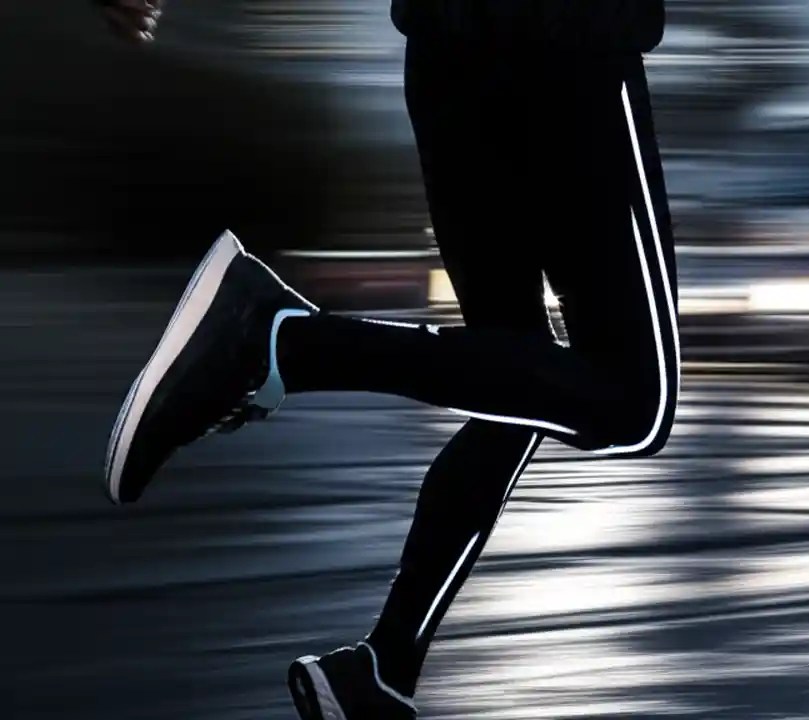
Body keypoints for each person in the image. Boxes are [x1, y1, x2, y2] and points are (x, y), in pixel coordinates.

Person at [97, 1, 679, 718]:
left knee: (514, 376)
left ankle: (384, 668)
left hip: (446, 60)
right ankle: (276, 340)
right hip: (570, 52)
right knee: (634, 401)